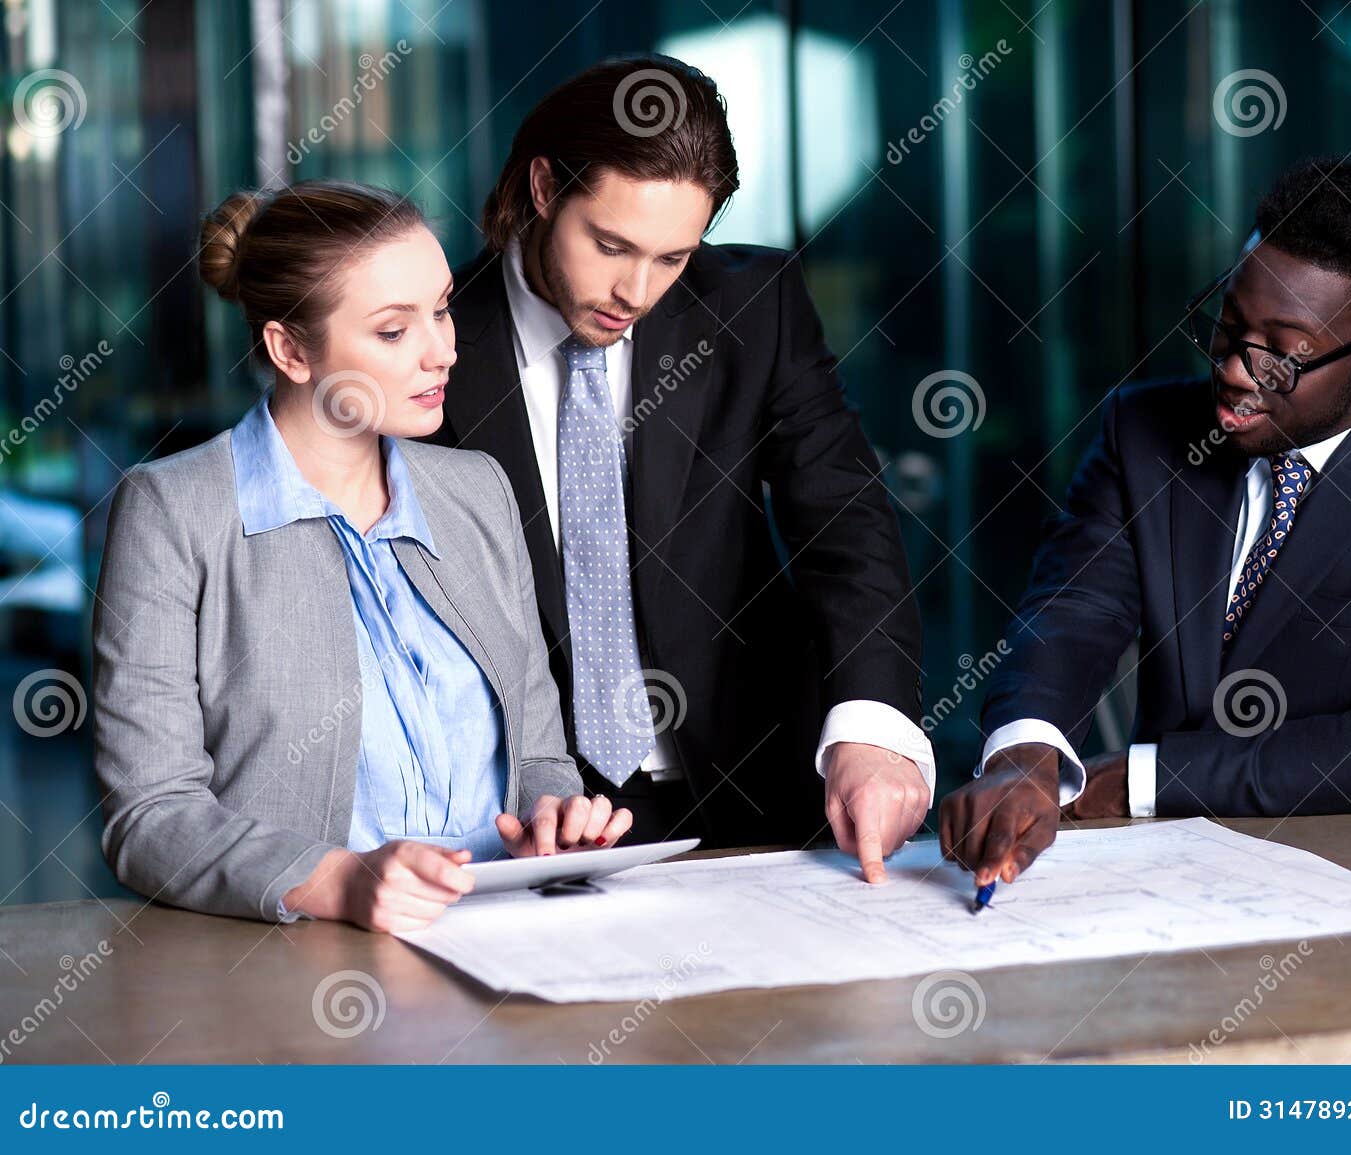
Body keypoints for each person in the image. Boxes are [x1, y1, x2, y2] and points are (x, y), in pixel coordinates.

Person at [940, 156, 1351, 889]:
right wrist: (1024, 756)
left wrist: (1136, 780)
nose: (1236, 369)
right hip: (1145, 874)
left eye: (1281, 356)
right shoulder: (1142, 430)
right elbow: (1076, 611)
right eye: (1228, 327)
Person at [429, 55, 932, 879]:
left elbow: (846, 526)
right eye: (610, 245)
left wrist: (874, 730)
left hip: (760, 792)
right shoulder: (431, 341)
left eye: (671, 258)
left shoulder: (753, 309)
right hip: (532, 822)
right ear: (544, 188)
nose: (635, 291)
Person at [92, 180, 627, 931]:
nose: (443, 351)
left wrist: (555, 817)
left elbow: (539, 754)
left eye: (441, 309)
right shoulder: (174, 511)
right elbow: (149, 816)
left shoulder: (477, 490)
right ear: (290, 350)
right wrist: (338, 881)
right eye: (393, 331)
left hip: (508, 938)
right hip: (306, 963)